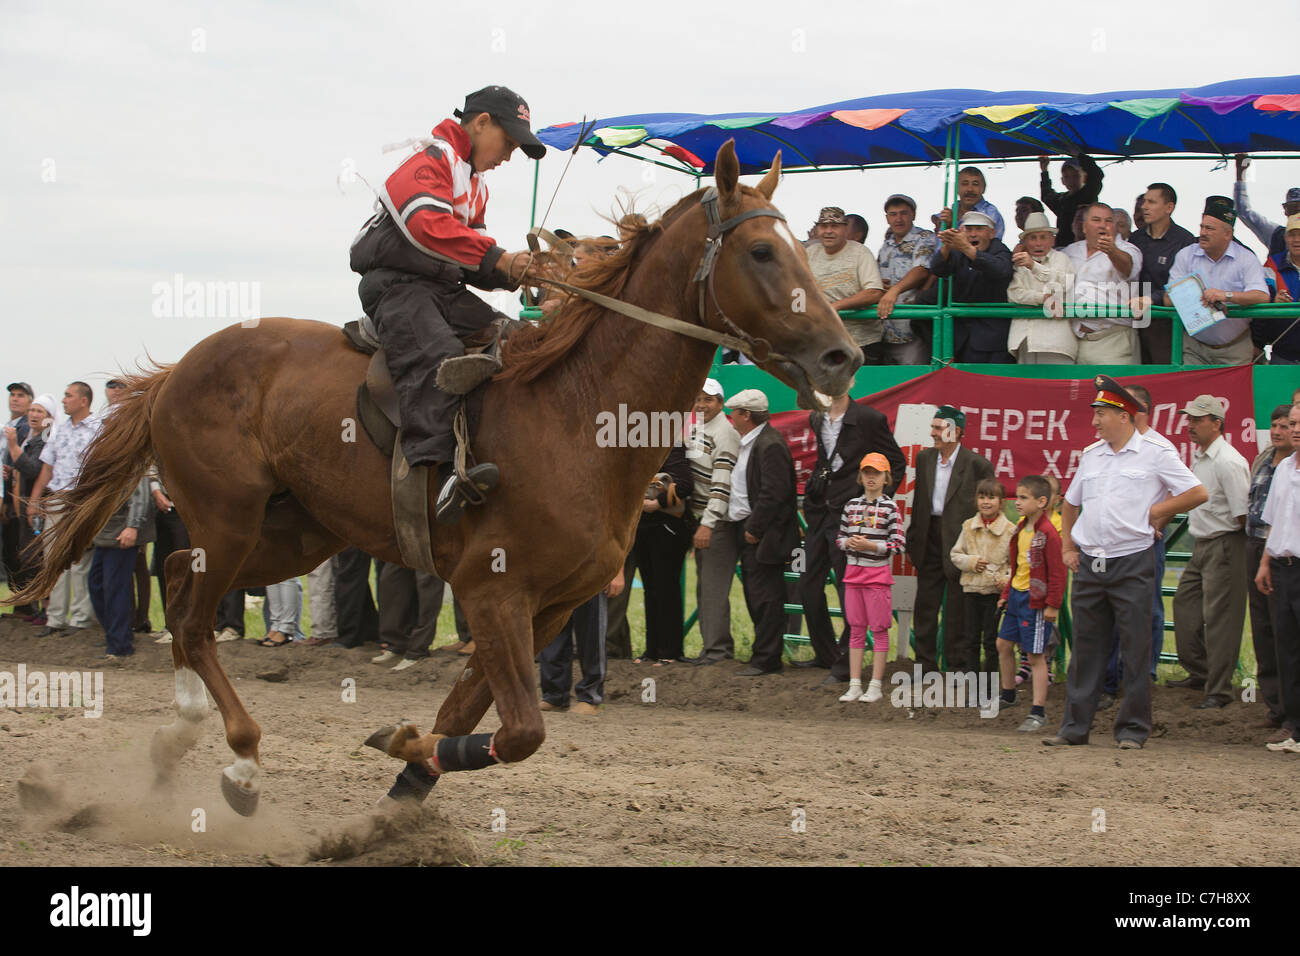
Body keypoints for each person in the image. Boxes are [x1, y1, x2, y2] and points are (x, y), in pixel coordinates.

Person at [348, 85, 545, 523]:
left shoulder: (477, 188)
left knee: (515, 340)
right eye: (508, 142)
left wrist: (513, 271)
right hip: (396, 288)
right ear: (480, 124)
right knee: (439, 358)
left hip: (441, 290)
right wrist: (499, 258)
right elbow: (426, 226)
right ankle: (439, 476)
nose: (509, 155)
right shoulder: (430, 160)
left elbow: (467, 257)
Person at [1045, 377, 1207, 749]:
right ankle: (1074, 727)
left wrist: (1156, 512)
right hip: (1091, 563)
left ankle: (1132, 729)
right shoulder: (1091, 454)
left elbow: (1196, 492)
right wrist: (1068, 546)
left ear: (1124, 415)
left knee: (1135, 648)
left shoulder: (1155, 452)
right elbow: (1070, 502)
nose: (1095, 422)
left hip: (1133, 561)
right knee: (1086, 648)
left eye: (1101, 414)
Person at [800, 389, 905, 682]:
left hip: (852, 518)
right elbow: (826, 462)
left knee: (851, 591)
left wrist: (872, 505)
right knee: (807, 584)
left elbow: (897, 461)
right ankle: (826, 654)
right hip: (820, 513)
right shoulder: (816, 416)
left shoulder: (870, 418)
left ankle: (846, 665)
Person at [1170, 396, 1250, 708]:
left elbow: (1243, 514)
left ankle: (1218, 690)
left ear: (1216, 423)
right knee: (1185, 606)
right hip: (1204, 542)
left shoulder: (1228, 462)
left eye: (1197, 420)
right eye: (1189, 419)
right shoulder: (1203, 458)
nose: (1190, 425)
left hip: (1226, 542)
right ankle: (1202, 672)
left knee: (1220, 619)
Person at [905, 406, 995, 673]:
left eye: (937, 428)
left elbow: (987, 507)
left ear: (955, 432)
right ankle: (924, 663)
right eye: (932, 427)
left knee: (959, 608)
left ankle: (957, 666)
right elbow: (920, 500)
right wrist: (913, 538)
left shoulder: (978, 465)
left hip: (961, 542)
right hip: (928, 537)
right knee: (925, 605)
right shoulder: (924, 459)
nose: (932, 433)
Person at [726, 389, 799, 677]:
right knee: (757, 595)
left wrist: (754, 529)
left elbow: (774, 492)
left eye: (734, 412)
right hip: (753, 529)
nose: (731, 416)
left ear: (746, 415)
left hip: (764, 534)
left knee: (766, 597)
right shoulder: (757, 442)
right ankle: (764, 654)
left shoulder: (769, 444)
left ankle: (767, 658)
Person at [26, 382, 101, 637]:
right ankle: (55, 618)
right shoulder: (58, 431)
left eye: (68, 396)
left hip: (82, 500)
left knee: (79, 561)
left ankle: (80, 620)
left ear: (84, 401)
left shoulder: (98, 429)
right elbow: (48, 467)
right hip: (57, 499)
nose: (63, 400)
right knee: (53, 560)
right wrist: (35, 501)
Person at [996, 475, 1066, 732]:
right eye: (1018, 497)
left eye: (1024, 498)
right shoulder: (1021, 528)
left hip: (1035, 602)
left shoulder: (1048, 533)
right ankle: (1009, 694)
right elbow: (1017, 567)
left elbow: (1058, 573)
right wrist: (1006, 592)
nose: (1018, 502)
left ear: (1042, 501)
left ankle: (1038, 711)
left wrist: (1053, 605)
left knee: (1035, 655)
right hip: (1016, 596)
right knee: (1003, 644)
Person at [1166, 196, 1270, 366]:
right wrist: (1198, 298)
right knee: (1191, 392)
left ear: (1227, 234)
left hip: (1234, 349)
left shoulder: (1246, 258)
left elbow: (1262, 296)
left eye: (1209, 228)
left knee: (1233, 393)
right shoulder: (1186, 255)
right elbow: (1168, 298)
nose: (1203, 233)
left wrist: (1225, 296)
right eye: (1201, 227)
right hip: (1194, 347)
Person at [835, 454, 905, 703]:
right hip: (853, 575)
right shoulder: (850, 505)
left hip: (877, 576)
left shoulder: (891, 508)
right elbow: (840, 538)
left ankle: (875, 685)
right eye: (867, 472)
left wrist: (871, 546)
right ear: (860, 476)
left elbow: (898, 544)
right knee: (855, 629)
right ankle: (855, 684)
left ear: (886, 477)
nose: (871, 477)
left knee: (879, 630)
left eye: (876, 472)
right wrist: (849, 543)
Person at [1253, 403, 1300, 752]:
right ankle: (1293, 724)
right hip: (1283, 568)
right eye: (1293, 423)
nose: (1296, 429)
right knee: (1287, 649)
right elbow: (1273, 522)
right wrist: (1265, 562)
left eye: (1299, 423)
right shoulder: (1284, 468)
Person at [686, 379, 740, 664]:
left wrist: (708, 523)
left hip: (716, 521)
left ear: (721, 403)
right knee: (704, 588)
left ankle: (718, 651)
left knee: (713, 589)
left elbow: (722, 484)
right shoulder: (697, 427)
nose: (701, 405)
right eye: (698, 399)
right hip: (700, 517)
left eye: (708, 400)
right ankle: (710, 649)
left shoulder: (725, 433)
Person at [633, 444, 694, 664]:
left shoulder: (673, 447)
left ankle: (670, 651)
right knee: (650, 589)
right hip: (643, 528)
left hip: (667, 528)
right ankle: (652, 650)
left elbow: (686, 485)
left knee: (666, 588)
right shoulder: (637, 448)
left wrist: (656, 504)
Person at [927, 211, 1014, 362]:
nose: (973, 234)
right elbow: (938, 269)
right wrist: (947, 245)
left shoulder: (999, 249)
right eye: (969, 229)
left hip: (993, 342)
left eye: (979, 229)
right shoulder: (958, 252)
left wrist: (967, 248)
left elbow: (1001, 270)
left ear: (991, 233)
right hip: (962, 340)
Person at [950, 478, 1015, 676]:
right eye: (982, 497)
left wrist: (1004, 580)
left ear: (1002, 501)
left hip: (994, 593)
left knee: (991, 639)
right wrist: (971, 562)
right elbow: (955, 554)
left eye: (991, 497)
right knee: (971, 638)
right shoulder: (968, 526)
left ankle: (991, 682)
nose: (986, 502)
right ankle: (973, 681)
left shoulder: (1010, 530)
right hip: (971, 590)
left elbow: (1015, 565)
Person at [1064, 203, 1143, 364]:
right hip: (1074, 341)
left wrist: (1112, 251)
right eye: (1096, 220)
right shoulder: (1070, 251)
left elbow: (1127, 268)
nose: (1102, 225)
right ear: (1084, 227)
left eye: (1108, 221)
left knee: (1114, 389)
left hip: (1113, 340)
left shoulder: (1128, 249)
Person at [805, 206, 885, 362]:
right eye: (823, 226)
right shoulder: (809, 253)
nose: (828, 231)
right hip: (821, 342)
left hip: (861, 342)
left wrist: (836, 306)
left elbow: (874, 292)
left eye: (834, 226)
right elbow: (797, 291)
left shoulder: (861, 253)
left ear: (844, 229)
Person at [1129, 183, 1197, 364]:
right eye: (1144, 201)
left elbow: (1185, 287)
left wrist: (1153, 299)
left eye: (1151, 202)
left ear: (1169, 207)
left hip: (1167, 324)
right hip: (1133, 321)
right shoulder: (1135, 238)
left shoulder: (1185, 241)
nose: (1144, 206)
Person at [88, 474, 154, 660]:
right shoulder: (103, 455)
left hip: (123, 532)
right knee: (96, 584)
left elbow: (139, 491)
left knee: (115, 588)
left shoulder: (128, 456)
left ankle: (119, 645)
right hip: (105, 532)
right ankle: (117, 634)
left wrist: (133, 526)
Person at [538, 572, 622, 715]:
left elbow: (620, 547)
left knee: (590, 629)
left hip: (592, 566)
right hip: (556, 568)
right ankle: (554, 696)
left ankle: (591, 697)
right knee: (552, 628)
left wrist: (616, 572)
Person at [5, 392, 54, 623]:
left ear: (48, 418)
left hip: (39, 507)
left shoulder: (45, 440)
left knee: (39, 558)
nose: (34, 415)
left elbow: (35, 470)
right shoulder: (31, 439)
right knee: (29, 557)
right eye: (32, 410)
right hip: (24, 504)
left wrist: (13, 447)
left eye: (39, 411)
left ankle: (47, 610)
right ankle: (37, 607)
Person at [875, 194, 939, 365]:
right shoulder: (885, 246)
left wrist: (894, 291)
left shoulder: (924, 238)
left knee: (913, 382)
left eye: (904, 213)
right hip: (885, 330)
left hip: (912, 330)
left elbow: (921, 271)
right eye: (893, 214)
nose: (898, 219)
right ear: (887, 218)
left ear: (913, 215)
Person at [1007, 211, 1077, 363]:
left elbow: (1063, 284)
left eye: (1043, 237)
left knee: (1057, 385)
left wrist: (1033, 266)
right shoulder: (1020, 263)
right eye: (1033, 238)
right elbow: (1014, 294)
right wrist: (1041, 298)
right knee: (1027, 385)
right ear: (1025, 242)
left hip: (1056, 341)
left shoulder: (1062, 259)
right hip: (1025, 339)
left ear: (1052, 240)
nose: (1038, 243)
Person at [2, 382, 35, 616]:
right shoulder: (9, 425)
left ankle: (24, 605)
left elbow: (24, 464)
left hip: (18, 497)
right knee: (10, 552)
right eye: (12, 395)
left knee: (18, 550)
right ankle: (19, 603)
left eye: (20, 395)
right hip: (8, 494)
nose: (15, 399)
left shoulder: (24, 428)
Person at [1232, 154, 1300, 259]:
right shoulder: (1275, 234)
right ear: (1285, 210)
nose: (1297, 212)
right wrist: (1241, 174)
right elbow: (1244, 212)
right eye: (1293, 208)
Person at [1040, 154, 1105, 249]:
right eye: (1067, 177)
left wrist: (1080, 155)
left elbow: (1096, 176)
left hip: (1085, 248)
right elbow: (1046, 195)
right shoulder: (1061, 200)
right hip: (1063, 249)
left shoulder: (1088, 195)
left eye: (1076, 176)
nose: (1071, 180)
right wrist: (1044, 170)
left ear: (1084, 177)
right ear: (1062, 181)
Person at [1261, 214, 1300, 364]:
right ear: (1285, 238)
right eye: (1292, 235)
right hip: (1282, 352)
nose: (1296, 240)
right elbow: (1262, 294)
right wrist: (1273, 299)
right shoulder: (1273, 264)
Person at [932, 166, 1006, 239]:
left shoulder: (990, 213)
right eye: (965, 184)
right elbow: (939, 247)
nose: (970, 189)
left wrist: (952, 225)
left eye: (975, 184)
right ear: (956, 188)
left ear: (983, 188)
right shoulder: (949, 213)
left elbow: (985, 247)